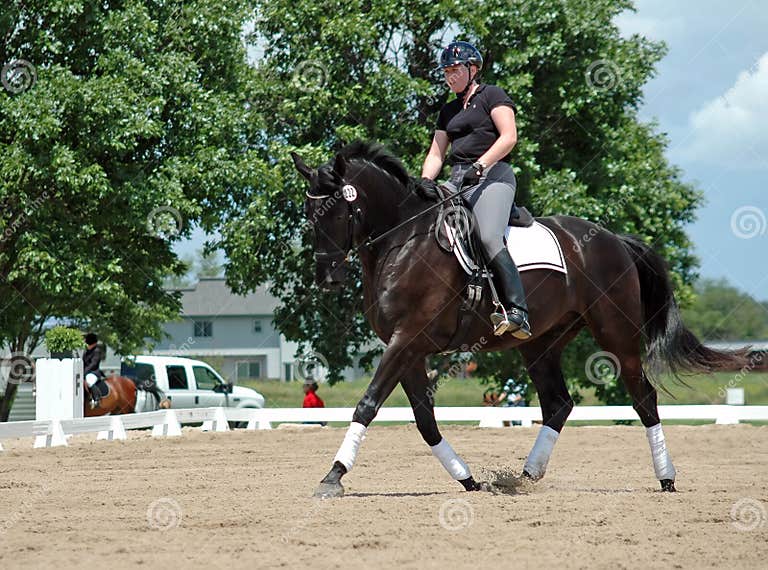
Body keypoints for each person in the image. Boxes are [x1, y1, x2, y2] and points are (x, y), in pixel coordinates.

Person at [420, 41, 531, 339]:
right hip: (457, 181)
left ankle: (517, 310)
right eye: (446, 72)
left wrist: (480, 166)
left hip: (493, 177)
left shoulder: (492, 95)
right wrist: (426, 181)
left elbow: (509, 137)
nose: (450, 77)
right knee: (423, 221)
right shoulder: (448, 111)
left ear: (473, 69)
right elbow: (436, 153)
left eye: (455, 70)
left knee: (488, 236)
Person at [83, 332, 107, 408]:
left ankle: (96, 399)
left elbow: (93, 364)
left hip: (93, 372)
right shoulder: (86, 351)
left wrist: (84, 371)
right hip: (85, 371)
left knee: (89, 381)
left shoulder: (97, 351)